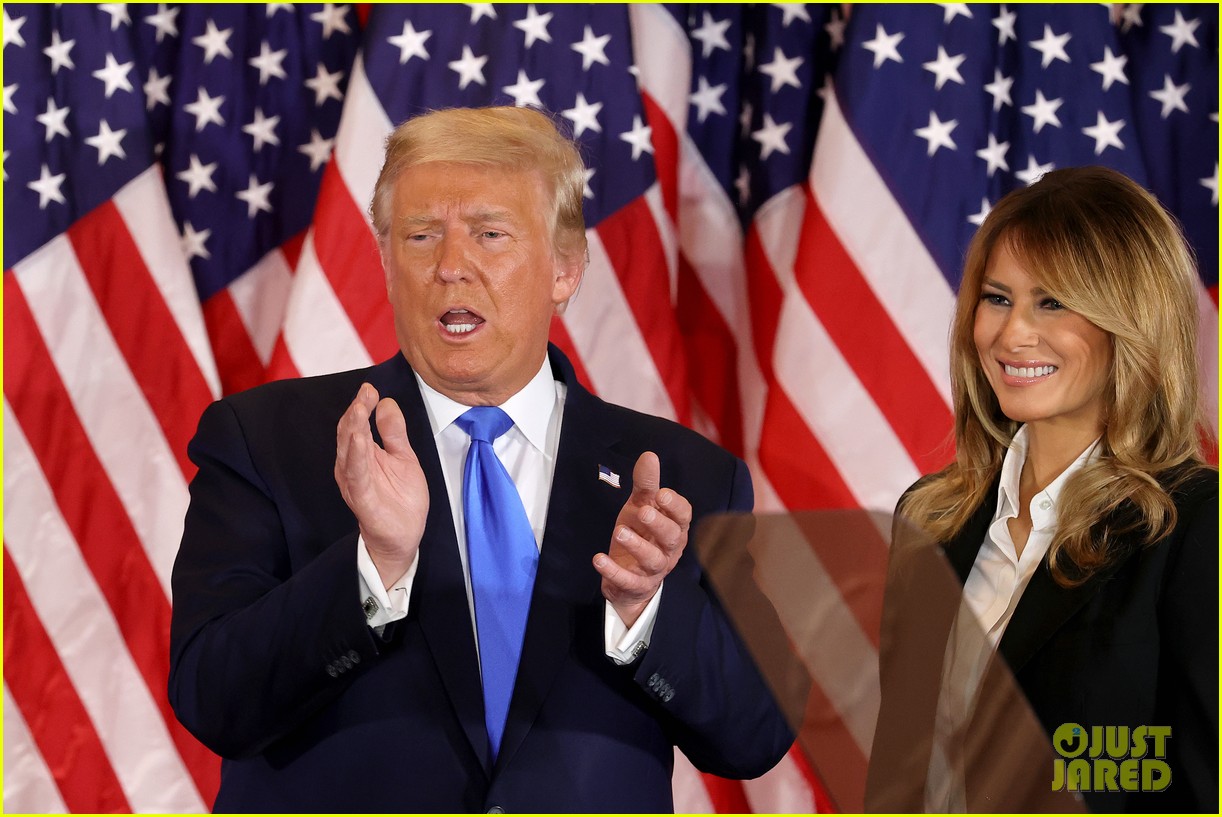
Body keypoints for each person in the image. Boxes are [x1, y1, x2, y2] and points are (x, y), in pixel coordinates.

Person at [167, 106, 792, 812]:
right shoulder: (269, 439)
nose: (451, 266)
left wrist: (649, 608)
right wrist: (372, 567)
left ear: (565, 268)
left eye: (490, 234)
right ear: (385, 259)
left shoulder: (683, 475)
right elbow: (210, 698)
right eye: (421, 235)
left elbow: (757, 733)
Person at [867, 166, 1217, 812]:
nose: (1011, 333)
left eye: (1052, 301)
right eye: (997, 297)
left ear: (1131, 320)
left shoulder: (1196, 526)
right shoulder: (931, 515)